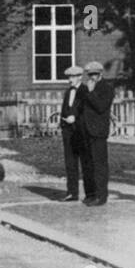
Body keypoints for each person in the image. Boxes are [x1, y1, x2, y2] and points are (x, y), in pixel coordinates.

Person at [77, 61, 113, 206]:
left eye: (94, 74)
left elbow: (101, 107)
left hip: (98, 132)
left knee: (99, 165)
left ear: (100, 74)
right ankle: (90, 194)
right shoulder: (86, 89)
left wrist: (91, 93)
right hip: (85, 131)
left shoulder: (107, 88)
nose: (91, 77)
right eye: (89, 74)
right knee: (87, 164)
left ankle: (101, 196)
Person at [58, 65, 85, 201]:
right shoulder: (68, 92)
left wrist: (76, 118)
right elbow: (65, 110)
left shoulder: (85, 90)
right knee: (70, 162)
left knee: (86, 162)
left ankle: (92, 193)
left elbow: (88, 111)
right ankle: (72, 192)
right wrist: (63, 125)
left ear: (80, 77)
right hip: (68, 132)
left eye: (73, 77)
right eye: (69, 77)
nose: (70, 80)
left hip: (81, 132)